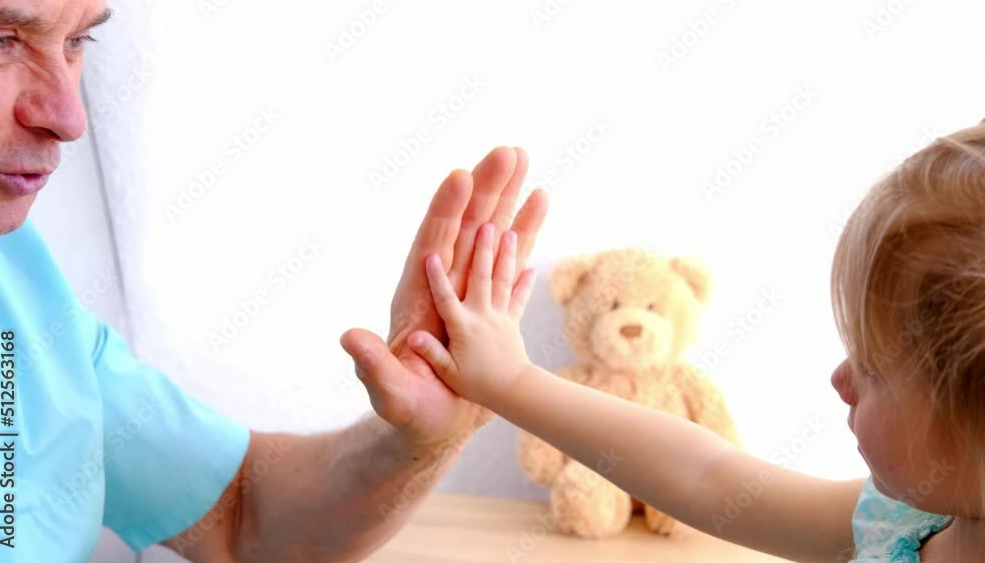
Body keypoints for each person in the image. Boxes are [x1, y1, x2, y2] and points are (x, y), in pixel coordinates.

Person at [0, 1, 548, 561]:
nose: (67, 116)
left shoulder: (21, 294)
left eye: (78, 42)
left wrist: (419, 441)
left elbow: (241, 513)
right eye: (0, 41)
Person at [407, 120, 985, 562]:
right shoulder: (898, 522)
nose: (840, 379)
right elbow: (706, 477)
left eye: (874, 367)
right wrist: (510, 382)